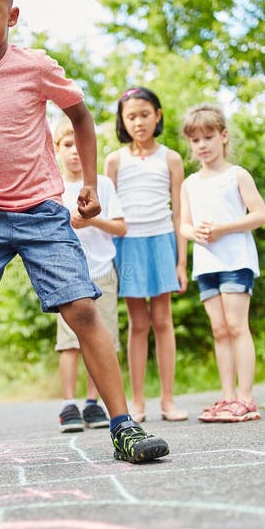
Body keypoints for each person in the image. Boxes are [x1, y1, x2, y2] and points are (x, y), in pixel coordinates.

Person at [0, 0, 170, 465]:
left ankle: (123, 425)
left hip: (41, 211)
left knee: (81, 309)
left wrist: (89, 184)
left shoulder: (34, 67)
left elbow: (80, 115)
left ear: (13, 16)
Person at [180, 103, 265, 423]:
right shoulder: (189, 183)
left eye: (208, 137)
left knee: (236, 326)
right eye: (195, 140)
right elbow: (183, 225)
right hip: (206, 265)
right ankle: (228, 396)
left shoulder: (237, 175)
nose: (202, 145)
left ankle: (246, 398)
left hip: (237, 259)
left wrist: (222, 228)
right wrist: (196, 233)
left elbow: (260, 215)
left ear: (223, 136)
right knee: (219, 330)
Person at [105, 87, 188, 423]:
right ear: (123, 121)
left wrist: (182, 262)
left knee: (163, 321)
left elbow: (180, 214)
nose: (138, 122)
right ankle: (136, 402)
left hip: (162, 242)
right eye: (131, 116)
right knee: (138, 323)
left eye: (144, 114)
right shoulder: (114, 160)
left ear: (158, 115)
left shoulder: (171, 158)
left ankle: (168, 401)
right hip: (129, 246)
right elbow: (109, 212)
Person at [53, 117, 126, 433]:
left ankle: (93, 403)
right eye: (67, 146)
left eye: (78, 145)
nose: (74, 152)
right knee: (69, 342)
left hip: (102, 271)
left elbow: (121, 227)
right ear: (56, 150)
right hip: (66, 272)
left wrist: (93, 221)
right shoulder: (51, 186)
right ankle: (68, 404)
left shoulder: (102, 185)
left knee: (103, 339)